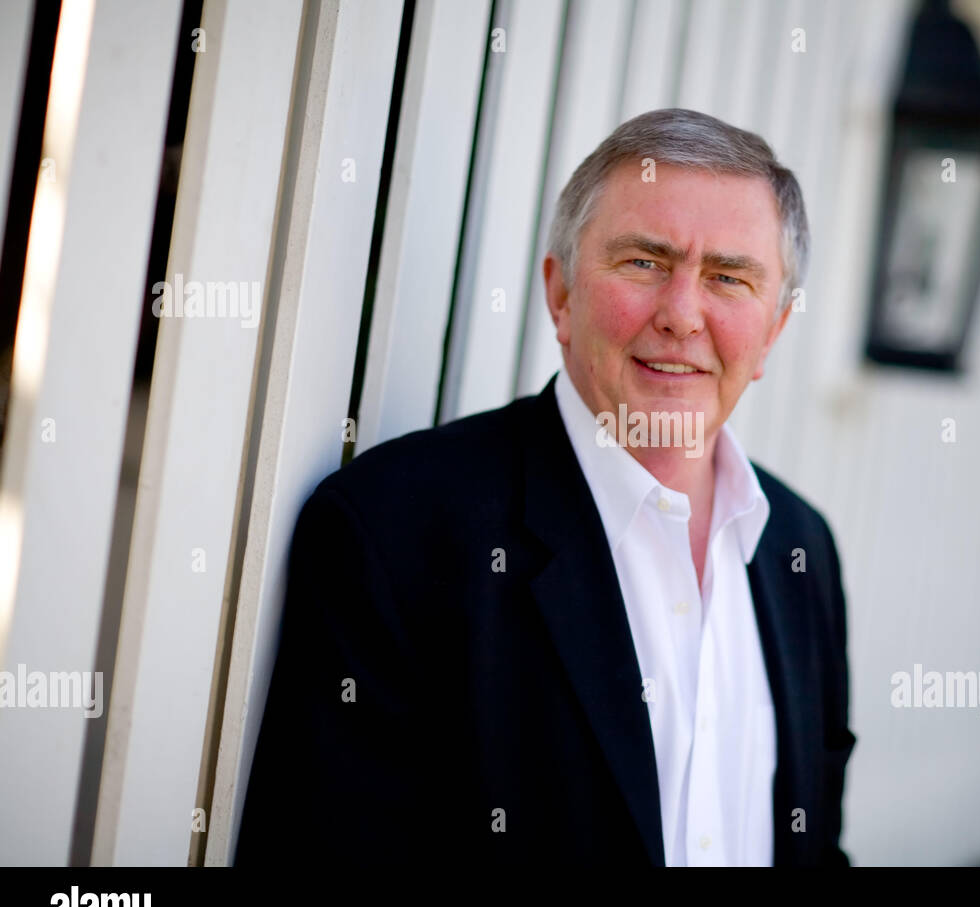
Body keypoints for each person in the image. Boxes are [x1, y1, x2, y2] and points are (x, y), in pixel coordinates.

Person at [236, 108, 855, 866]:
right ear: (560, 296)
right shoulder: (395, 532)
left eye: (729, 278)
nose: (683, 314)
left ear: (773, 332)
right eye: (644, 263)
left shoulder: (802, 550)